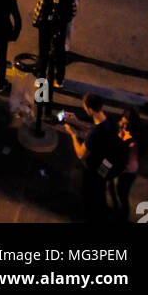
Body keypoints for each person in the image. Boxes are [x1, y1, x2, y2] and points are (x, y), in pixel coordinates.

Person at [64, 94, 120, 222]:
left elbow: (81, 154)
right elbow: (94, 128)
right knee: (100, 189)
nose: (85, 110)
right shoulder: (109, 121)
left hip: (93, 169)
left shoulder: (94, 134)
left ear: (90, 110)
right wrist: (77, 122)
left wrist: (73, 134)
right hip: (107, 164)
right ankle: (101, 209)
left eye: (85, 108)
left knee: (89, 194)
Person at [109, 109, 144, 220]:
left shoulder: (130, 141)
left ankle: (123, 215)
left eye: (125, 124)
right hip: (125, 170)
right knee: (113, 188)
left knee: (121, 194)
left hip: (126, 172)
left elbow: (116, 157)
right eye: (122, 121)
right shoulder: (126, 134)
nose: (121, 124)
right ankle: (117, 210)